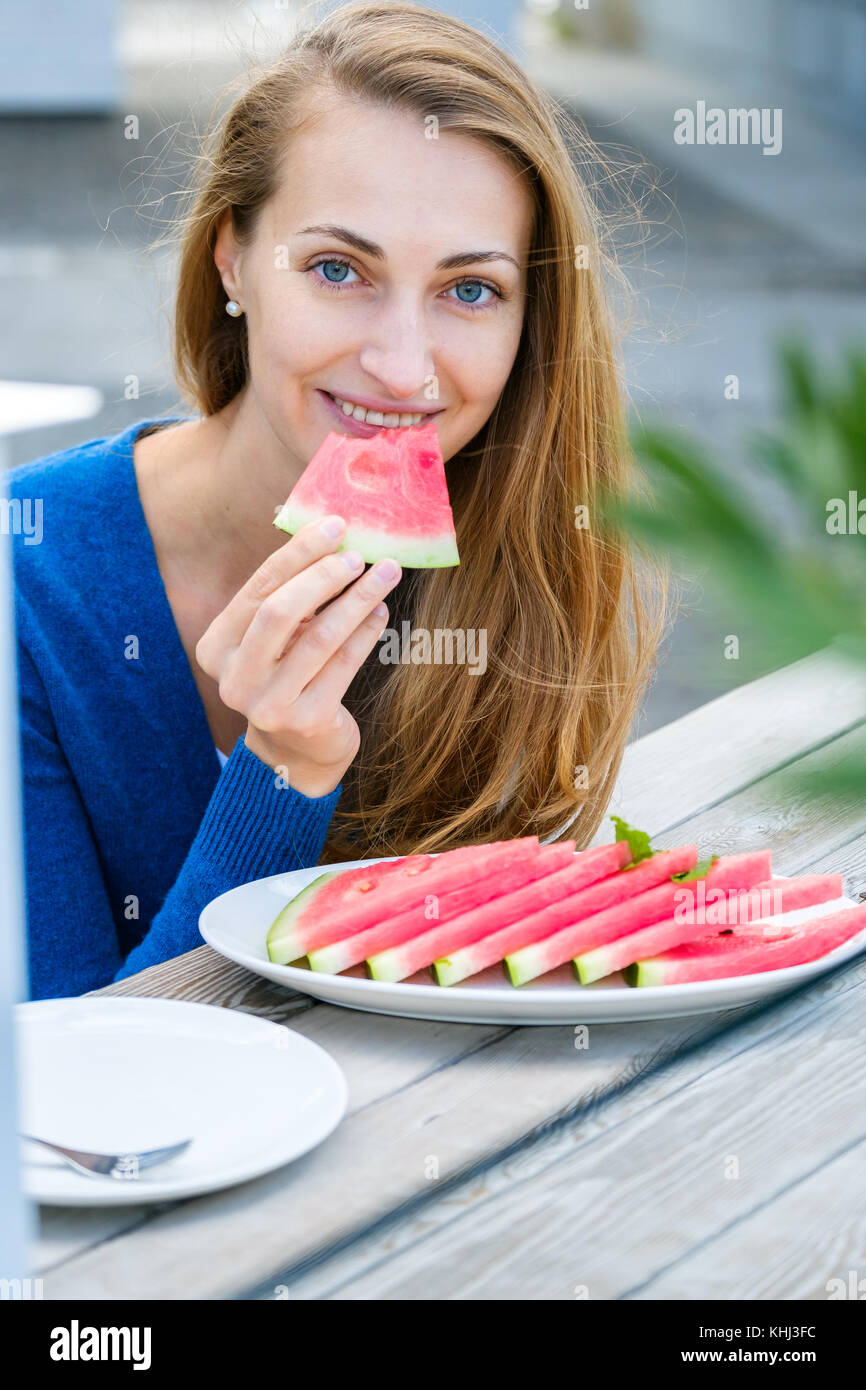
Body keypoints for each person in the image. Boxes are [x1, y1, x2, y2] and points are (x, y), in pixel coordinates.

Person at [9, 1, 665, 1000]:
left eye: (470, 289)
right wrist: (278, 770)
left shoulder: (524, 553)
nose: (402, 370)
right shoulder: (28, 583)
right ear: (232, 259)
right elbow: (63, 1087)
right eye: (336, 269)